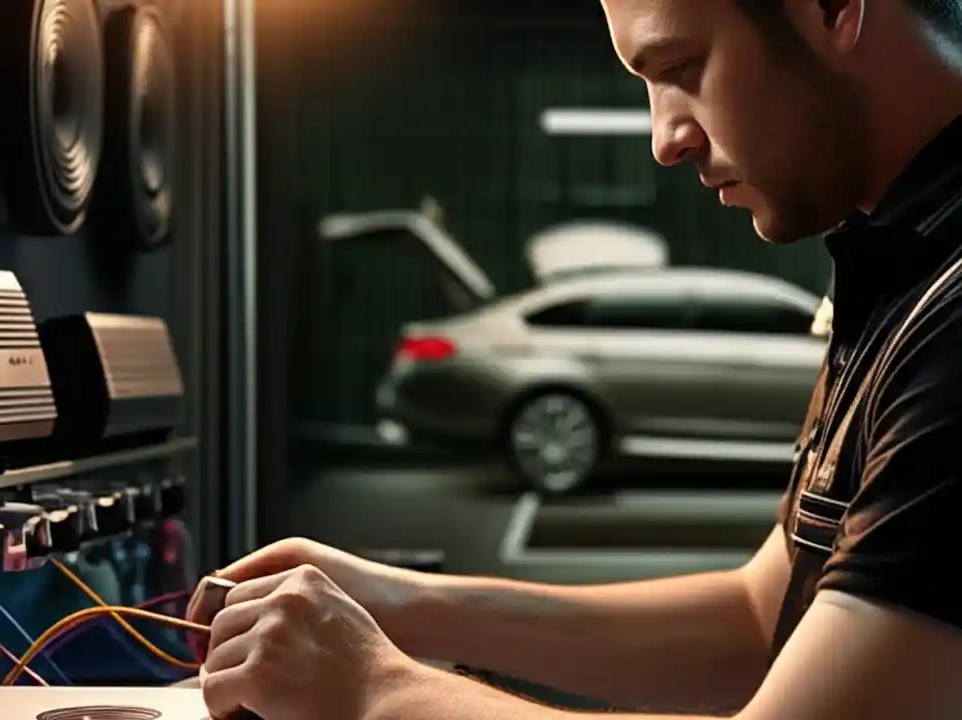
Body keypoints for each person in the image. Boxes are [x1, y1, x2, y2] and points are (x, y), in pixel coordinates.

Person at [187, 0, 962, 717]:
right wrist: (397, 604)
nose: (666, 140)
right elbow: (762, 620)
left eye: (682, 69)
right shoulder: (904, 264)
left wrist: (374, 686)